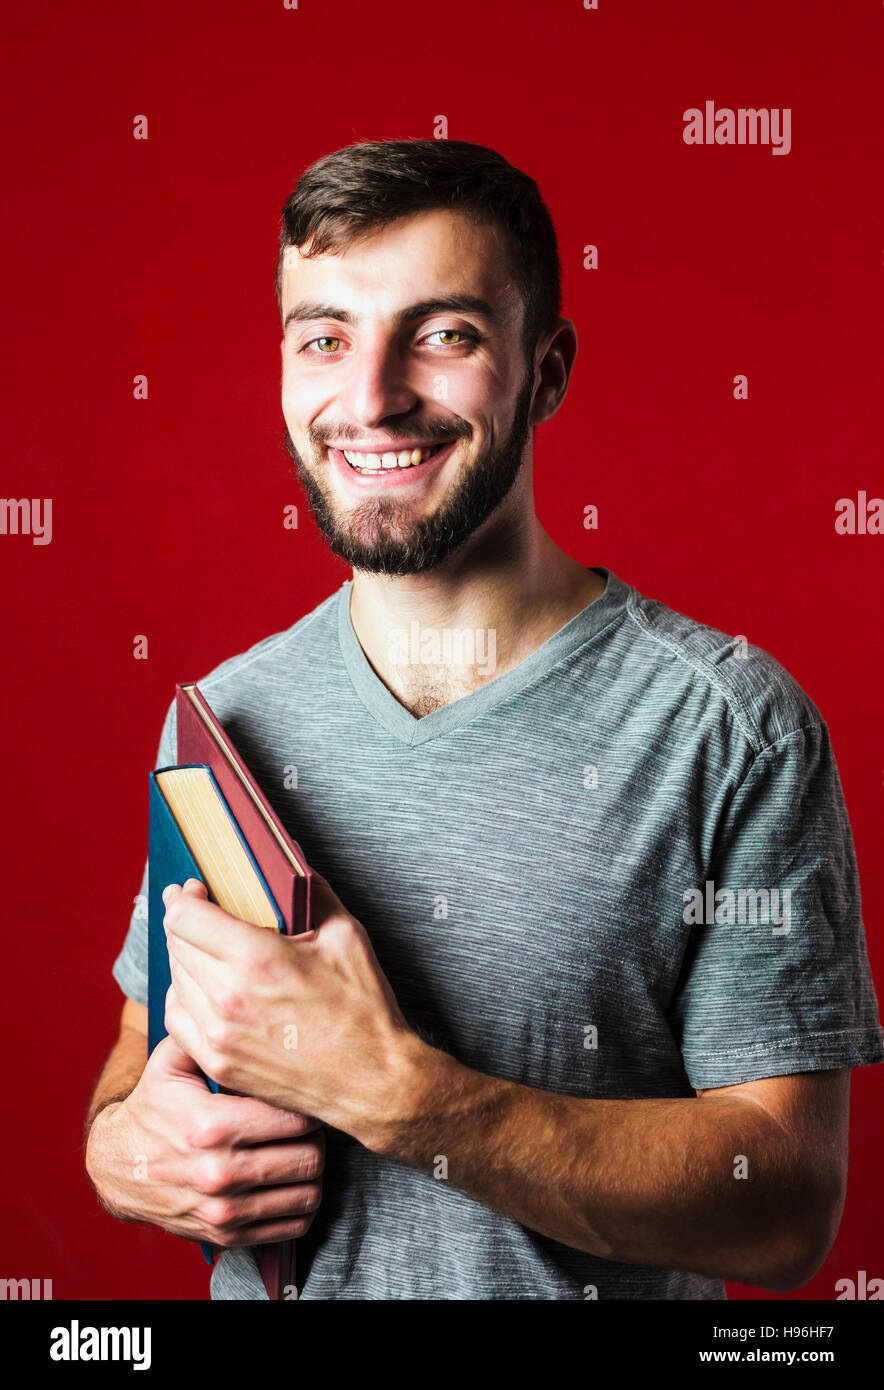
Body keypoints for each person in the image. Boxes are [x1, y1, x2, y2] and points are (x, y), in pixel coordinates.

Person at [85, 138, 884, 1300]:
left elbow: (785, 1210)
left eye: (442, 333)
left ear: (545, 371)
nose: (369, 397)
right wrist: (123, 1150)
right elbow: (142, 1052)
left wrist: (400, 1094)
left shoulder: (729, 730)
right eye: (324, 337)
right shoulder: (225, 716)